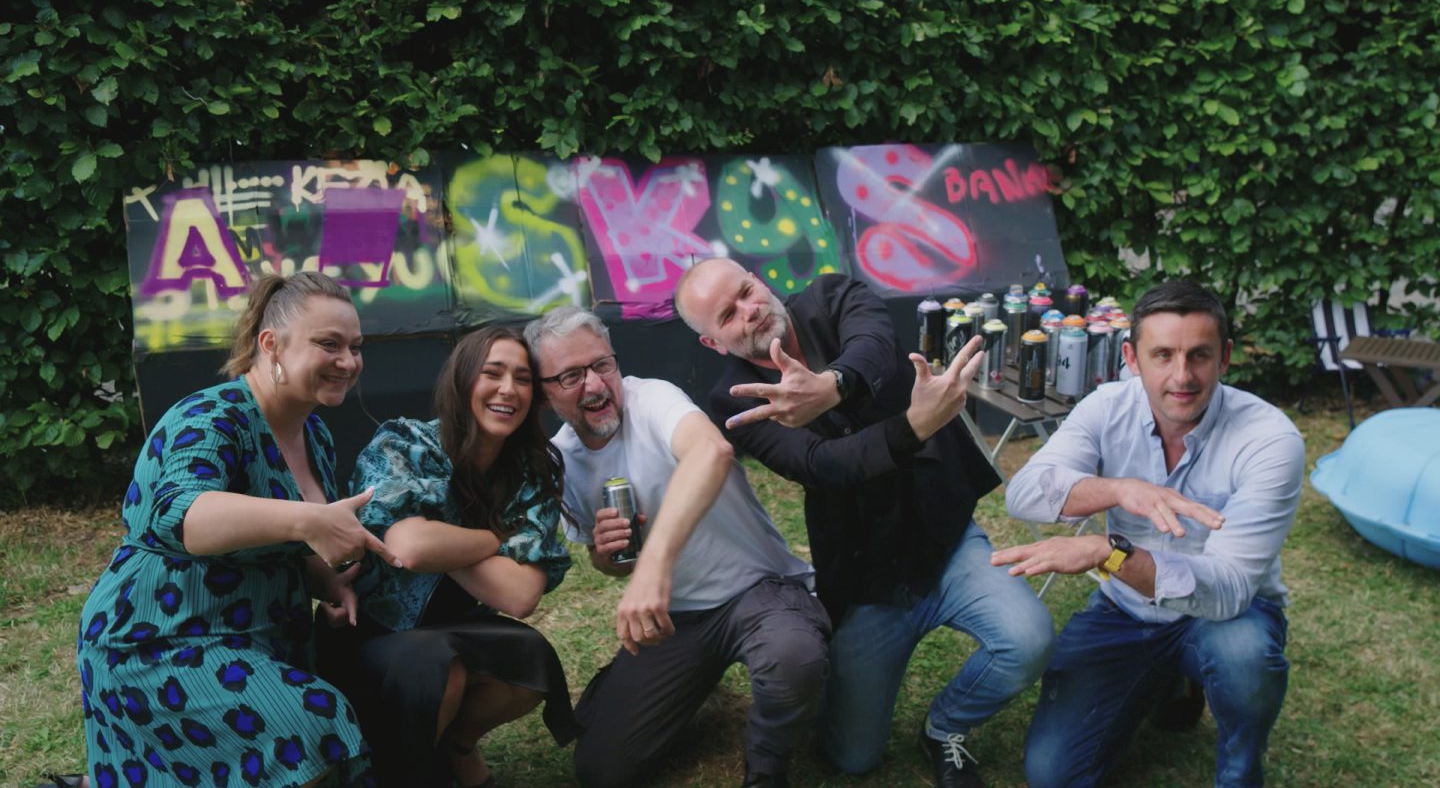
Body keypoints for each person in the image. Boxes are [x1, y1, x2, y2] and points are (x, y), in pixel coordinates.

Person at [674, 259, 1055, 788]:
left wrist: (831, 386)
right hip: (865, 578)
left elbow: (875, 345)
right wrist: (915, 425)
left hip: (942, 539)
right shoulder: (734, 399)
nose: (750, 310)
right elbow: (822, 466)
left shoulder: (829, 296)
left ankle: (945, 727)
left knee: (1029, 637)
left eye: (747, 291)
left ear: (760, 281)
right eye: (728, 315)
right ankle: (835, 683)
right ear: (713, 343)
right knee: (852, 757)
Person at [75, 271, 395, 788]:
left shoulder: (313, 432)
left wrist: (327, 581)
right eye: (328, 344)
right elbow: (183, 515)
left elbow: (276, 544)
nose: (349, 361)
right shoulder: (210, 418)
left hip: (258, 638)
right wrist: (306, 519)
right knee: (311, 725)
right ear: (271, 345)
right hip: (159, 639)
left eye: (355, 347)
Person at [992, 279, 1304, 787]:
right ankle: (1169, 681)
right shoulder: (1105, 407)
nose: (1182, 376)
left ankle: (1240, 771)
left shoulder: (1269, 439)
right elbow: (1023, 493)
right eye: (1163, 355)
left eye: (1199, 355)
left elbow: (1226, 591)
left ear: (1224, 357)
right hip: (1128, 611)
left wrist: (1106, 552)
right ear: (1133, 359)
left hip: (1227, 617)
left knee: (1245, 658)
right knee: (1051, 775)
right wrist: (1118, 489)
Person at [523, 306, 829, 788]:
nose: (596, 385)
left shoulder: (653, 399)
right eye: (570, 376)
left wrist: (654, 568)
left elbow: (711, 452)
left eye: (602, 365)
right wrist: (607, 556)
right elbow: (609, 566)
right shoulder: (561, 462)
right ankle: (687, 685)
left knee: (794, 659)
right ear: (543, 393)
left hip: (758, 588)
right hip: (678, 618)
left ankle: (767, 765)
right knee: (601, 770)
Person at [315, 326, 578, 787]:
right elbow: (409, 548)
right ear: (461, 382)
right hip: (367, 634)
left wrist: (442, 540)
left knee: (529, 657)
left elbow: (519, 595)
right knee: (436, 662)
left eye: (522, 379)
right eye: (492, 374)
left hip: (452, 627)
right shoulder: (403, 444)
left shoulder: (529, 474)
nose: (507, 390)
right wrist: (494, 538)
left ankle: (453, 749)